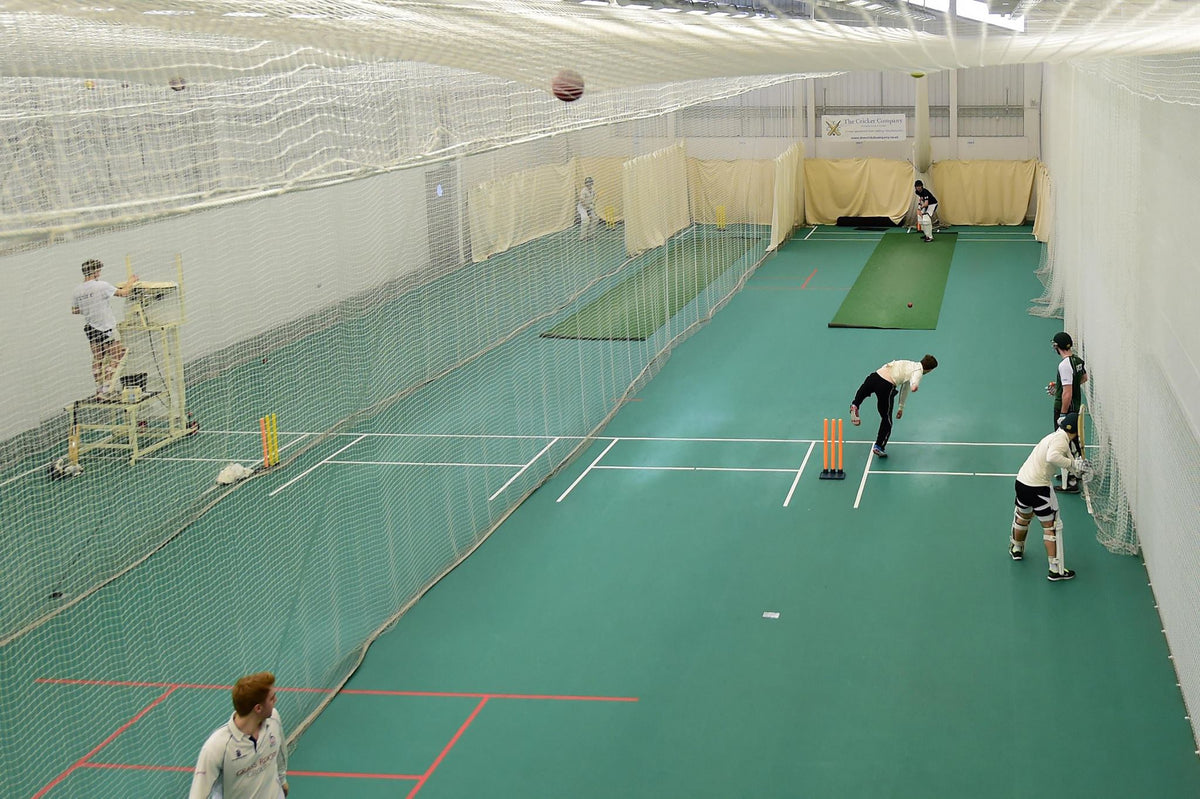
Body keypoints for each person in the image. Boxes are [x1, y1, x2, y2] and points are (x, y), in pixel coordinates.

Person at [1008, 412, 1091, 581]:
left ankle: (1016, 548)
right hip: (1039, 488)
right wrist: (1074, 464)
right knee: (1050, 526)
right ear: (1076, 430)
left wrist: (1077, 468)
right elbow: (1053, 457)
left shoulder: (1055, 437)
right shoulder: (1061, 441)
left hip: (1022, 482)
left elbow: (1066, 461)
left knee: (1023, 516)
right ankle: (1055, 569)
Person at [190, 671, 289, 799]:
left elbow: (280, 752)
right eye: (271, 698)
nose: (276, 700)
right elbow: (198, 795)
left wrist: (282, 780)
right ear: (258, 708)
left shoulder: (274, 718)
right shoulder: (216, 747)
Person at [71, 258, 138, 398]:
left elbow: (75, 310)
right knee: (117, 356)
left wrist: (90, 307)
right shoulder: (101, 286)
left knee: (98, 358)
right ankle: (107, 388)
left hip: (91, 328)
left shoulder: (77, 290)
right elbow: (124, 293)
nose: (99, 274)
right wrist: (131, 281)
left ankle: (99, 388)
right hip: (106, 327)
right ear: (95, 271)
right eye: (99, 271)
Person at [849, 354, 938, 458]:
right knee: (886, 419)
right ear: (930, 369)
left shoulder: (910, 364)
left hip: (875, 376)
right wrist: (914, 386)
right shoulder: (918, 371)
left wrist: (901, 407)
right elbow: (912, 384)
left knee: (863, 392)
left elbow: (904, 387)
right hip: (886, 385)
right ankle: (879, 446)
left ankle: (855, 405)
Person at [1046, 331, 1088, 492]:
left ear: (1058, 347)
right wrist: (1060, 388)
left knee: (1064, 442)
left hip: (1065, 409)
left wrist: (1062, 414)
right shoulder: (1077, 360)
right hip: (1075, 407)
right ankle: (1072, 472)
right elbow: (1083, 378)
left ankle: (1070, 480)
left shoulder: (1064, 365)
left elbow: (1068, 393)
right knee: (1072, 441)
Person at [577, 176, 599, 240]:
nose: (589, 184)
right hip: (582, 207)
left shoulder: (593, 189)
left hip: (589, 206)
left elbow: (596, 196)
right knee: (585, 220)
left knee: (595, 219)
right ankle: (582, 236)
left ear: (592, 183)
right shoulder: (583, 191)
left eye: (590, 182)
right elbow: (582, 201)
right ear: (585, 183)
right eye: (587, 182)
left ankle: (591, 234)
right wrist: (588, 206)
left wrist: (593, 202)